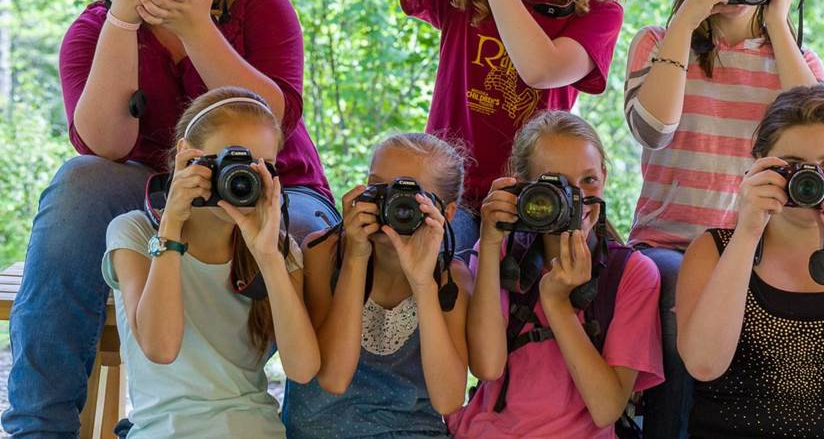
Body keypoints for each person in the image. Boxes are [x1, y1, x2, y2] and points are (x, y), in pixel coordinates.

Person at [3, 0, 338, 436]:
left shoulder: (259, 2)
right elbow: (101, 145)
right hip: (163, 192)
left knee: (317, 242)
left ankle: (316, 427)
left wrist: (197, 27)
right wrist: (124, 23)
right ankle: (39, 426)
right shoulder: (95, 28)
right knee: (77, 185)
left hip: (279, 184)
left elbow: (273, 121)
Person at [350, 0, 624, 259]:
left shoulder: (595, 9)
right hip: (447, 192)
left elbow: (541, 68)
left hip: (534, 199)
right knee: (431, 262)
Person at [623, 0, 824, 437]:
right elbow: (653, 130)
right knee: (673, 296)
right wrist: (688, 18)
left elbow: (816, 140)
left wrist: (779, 22)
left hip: (760, 247)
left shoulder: (797, 61)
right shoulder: (657, 44)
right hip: (668, 245)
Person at [676, 85, 824, 437]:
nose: (813, 182)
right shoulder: (713, 250)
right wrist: (747, 233)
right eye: (793, 167)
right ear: (759, 163)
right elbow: (703, 364)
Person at [103, 87, 318, 437]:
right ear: (187, 157)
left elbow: (303, 369)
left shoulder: (277, 250)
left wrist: (268, 257)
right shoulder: (136, 232)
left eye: (262, 167)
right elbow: (161, 348)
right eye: (230, 163)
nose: (243, 179)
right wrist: (171, 224)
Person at [451, 111, 664, 438]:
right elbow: (487, 367)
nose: (575, 198)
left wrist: (559, 306)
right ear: (524, 188)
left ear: (604, 177)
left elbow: (607, 408)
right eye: (558, 185)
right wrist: (492, 243)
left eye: (588, 180)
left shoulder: (631, 273)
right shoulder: (504, 253)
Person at [283, 133, 472, 438]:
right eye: (379, 188)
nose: (393, 204)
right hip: (321, 430)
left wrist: (423, 282)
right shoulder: (325, 252)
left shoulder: (450, 279)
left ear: (446, 213)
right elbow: (333, 378)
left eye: (409, 195)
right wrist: (356, 257)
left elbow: (448, 400)